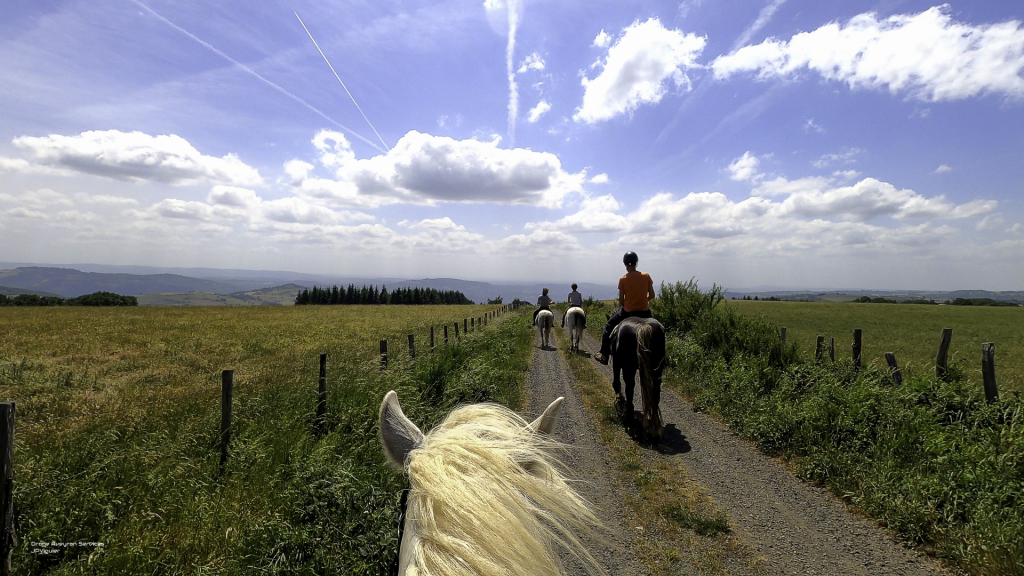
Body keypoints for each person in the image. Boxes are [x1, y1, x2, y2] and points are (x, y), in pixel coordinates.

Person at [594, 252, 655, 365]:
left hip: (628, 312)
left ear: (625, 264)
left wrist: (629, 302)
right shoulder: (646, 276)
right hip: (645, 312)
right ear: (636, 263)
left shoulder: (623, 279)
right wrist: (643, 300)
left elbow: (621, 300)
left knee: (608, 326)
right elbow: (652, 295)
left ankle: (604, 354)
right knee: (658, 329)